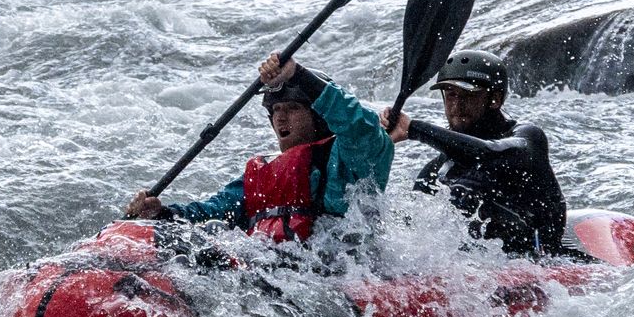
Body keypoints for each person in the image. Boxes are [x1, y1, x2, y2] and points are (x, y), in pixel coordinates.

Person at [126, 54, 393, 244]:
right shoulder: (266, 172)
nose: (281, 118)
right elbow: (214, 213)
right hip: (279, 275)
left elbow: (361, 125)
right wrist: (162, 214)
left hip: (339, 274)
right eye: (276, 110)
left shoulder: (352, 158)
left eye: (292, 108)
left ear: (319, 117)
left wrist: (298, 75)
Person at [380, 49, 567, 255]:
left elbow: (487, 153)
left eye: (468, 95)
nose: (456, 105)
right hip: (477, 271)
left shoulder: (529, 139)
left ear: (495, 99)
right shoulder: (436, 170)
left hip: (537, 262)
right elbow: (411, 233)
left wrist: (413, 128)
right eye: (451, 95)